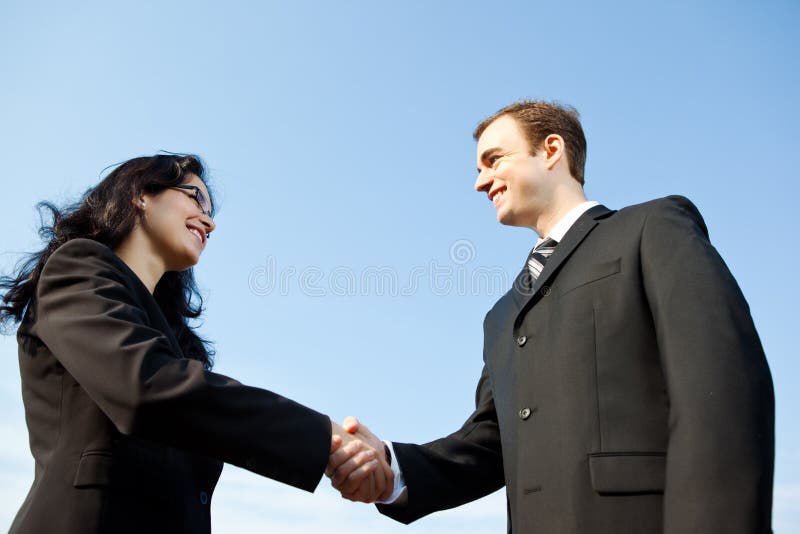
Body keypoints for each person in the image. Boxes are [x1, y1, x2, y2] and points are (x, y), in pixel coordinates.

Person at [327, 101, 775, 533]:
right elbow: (491, 444)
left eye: (493, 160)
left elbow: (721, 384)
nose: (480, 183)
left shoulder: (652, 227)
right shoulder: (501, 316)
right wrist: (391, 467)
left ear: (551, 150)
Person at [0, 154, 392, 534]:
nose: (209, 221)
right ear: (141, 193)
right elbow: (149, 386)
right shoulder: (76, 267)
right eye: (195, 197)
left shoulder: (177, 343)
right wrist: (321, 437)